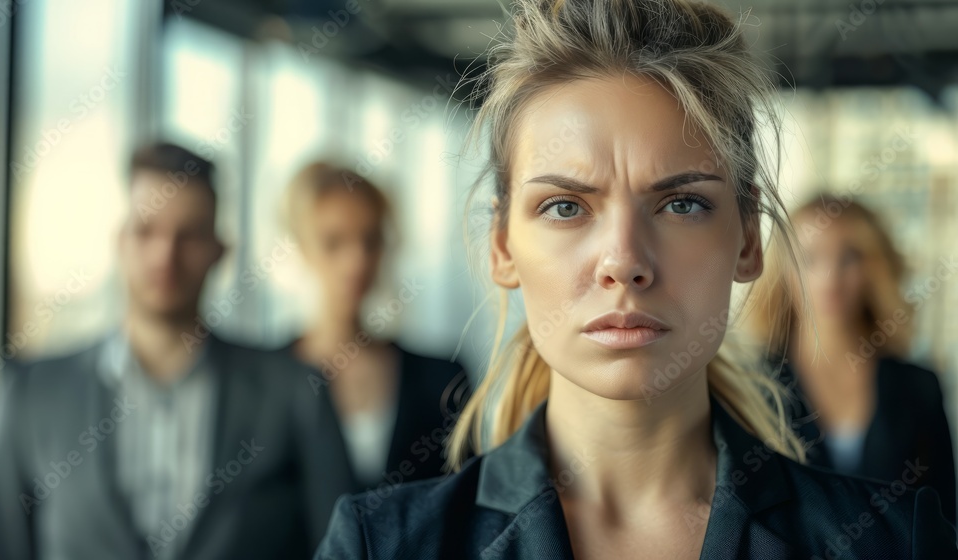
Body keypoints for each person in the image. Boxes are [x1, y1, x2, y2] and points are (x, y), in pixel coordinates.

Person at [313, 0, 958, 558]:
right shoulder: (380, 545)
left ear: (748, 240)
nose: (623, 260)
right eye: (564, 207)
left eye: (682, 204)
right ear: (503, 246)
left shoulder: (895, 542)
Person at [0, 142, 316, 559]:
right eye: (146, 231)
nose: (165, 255)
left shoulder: (292, 389)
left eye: (189, 235)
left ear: (220, 250)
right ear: (120, 240)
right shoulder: (33, 393)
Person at [280, 162, 469, 553]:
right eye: (333, 242)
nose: (357, 261)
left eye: (370, 240)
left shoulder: (442, 378)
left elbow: (464, 510)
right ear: (301, 246)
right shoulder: (263, 380)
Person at [745, 193, 957, 525]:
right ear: (783, 271)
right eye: (810, 258)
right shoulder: (750, 384)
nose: (831, 277)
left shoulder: (919, 387)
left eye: (850, 257)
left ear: (876, 269)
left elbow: (942, 521)